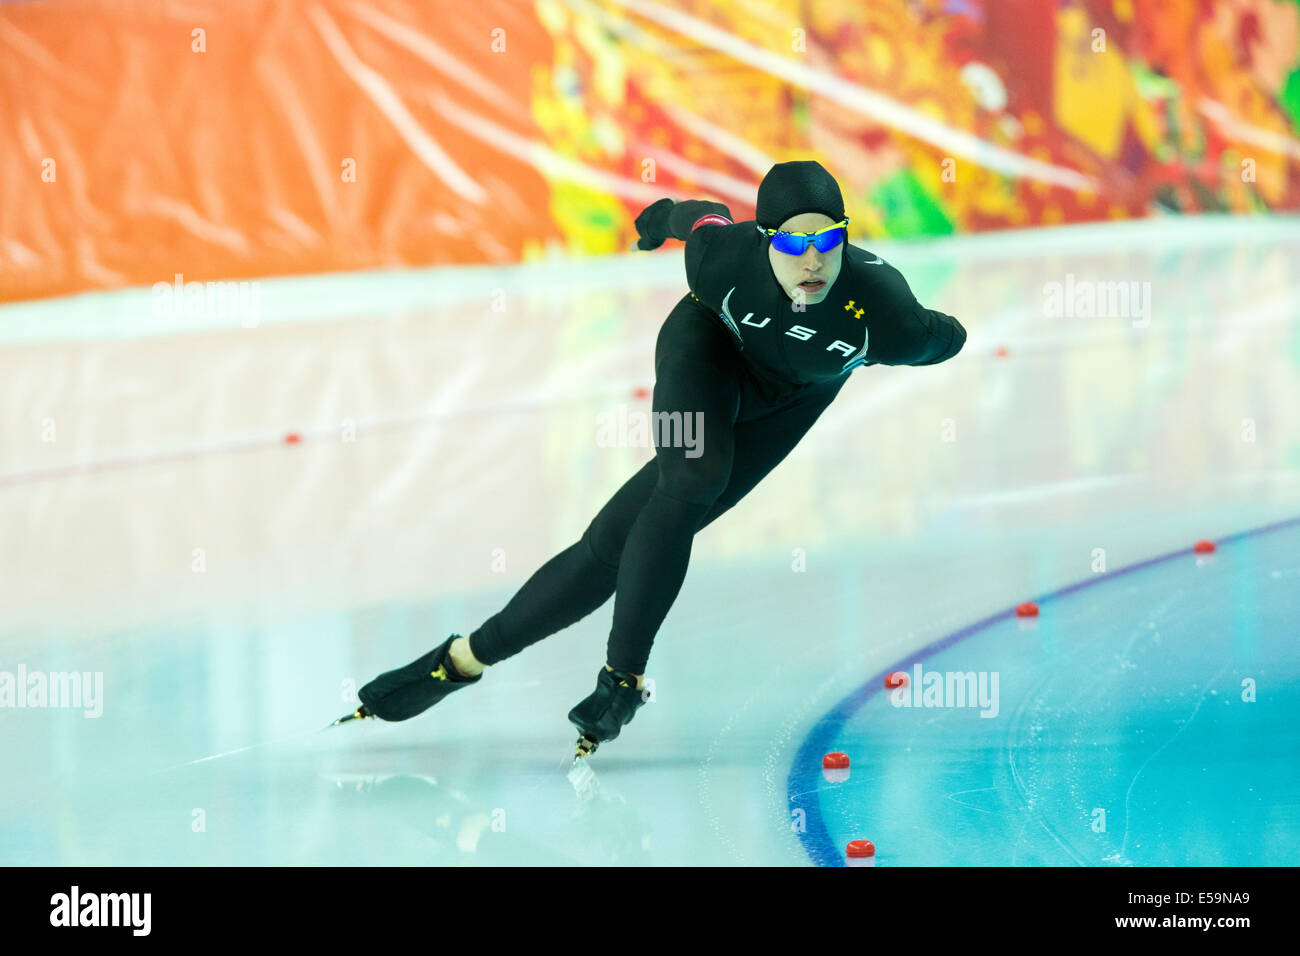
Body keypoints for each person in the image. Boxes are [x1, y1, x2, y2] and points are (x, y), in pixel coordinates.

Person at [337, 161, 967, 758]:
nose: (813, 261)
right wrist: (657, 215)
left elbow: (947, 337)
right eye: (792, 245)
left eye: (827, 241)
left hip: (789, 403)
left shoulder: (886, 313)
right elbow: (697, 217)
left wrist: (938, 333)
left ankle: (462, 659)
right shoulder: (723, 261)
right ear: (763, 240)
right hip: (706, 354)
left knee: (615, 543)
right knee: (691, 477)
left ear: (846, 237)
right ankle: (625, 680)